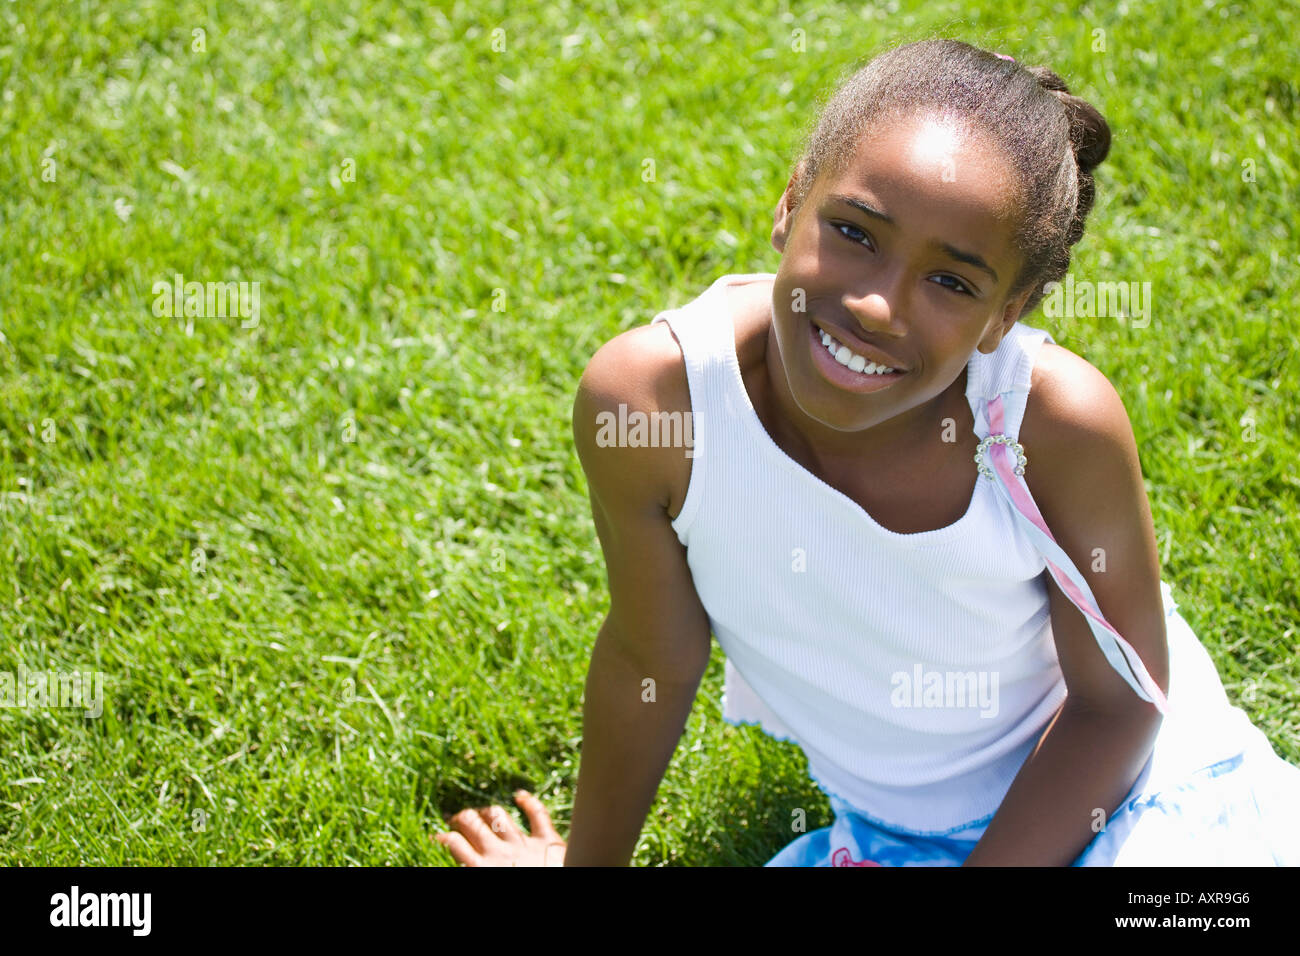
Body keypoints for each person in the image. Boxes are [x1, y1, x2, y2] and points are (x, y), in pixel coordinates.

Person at [433, 37, 1300, 867]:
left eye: (953, 281)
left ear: (1011, 312)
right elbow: (649, 656)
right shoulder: (657, 406)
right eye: (854, 232)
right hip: (899, 839)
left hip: (1125, 799)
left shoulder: (1048, 425)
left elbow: (1117, 707)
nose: (879, 307)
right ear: (790, 200)